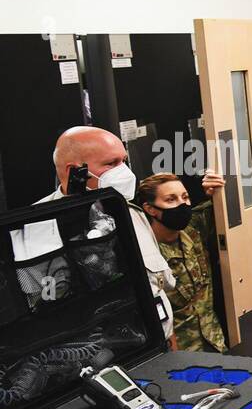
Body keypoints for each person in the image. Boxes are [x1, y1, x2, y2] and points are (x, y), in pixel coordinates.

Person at [13, 127, 219, 349]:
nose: (124, 171)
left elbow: (158, 289)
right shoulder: (34, 229)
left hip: (156, 344)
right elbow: (45, 310)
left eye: (124, 161)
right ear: (75, 171)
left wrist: (170, 341)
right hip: (99, 355)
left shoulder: (131, 214)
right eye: (111, 164)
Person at [136, 173, 228, 353]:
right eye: (171, 199)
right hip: (182, 353)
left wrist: (215, 189)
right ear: (150, 209)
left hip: (215, 343)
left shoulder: (193, 229)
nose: (182, 204)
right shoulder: (147, 252)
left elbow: (226, 210)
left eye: (185, 197)